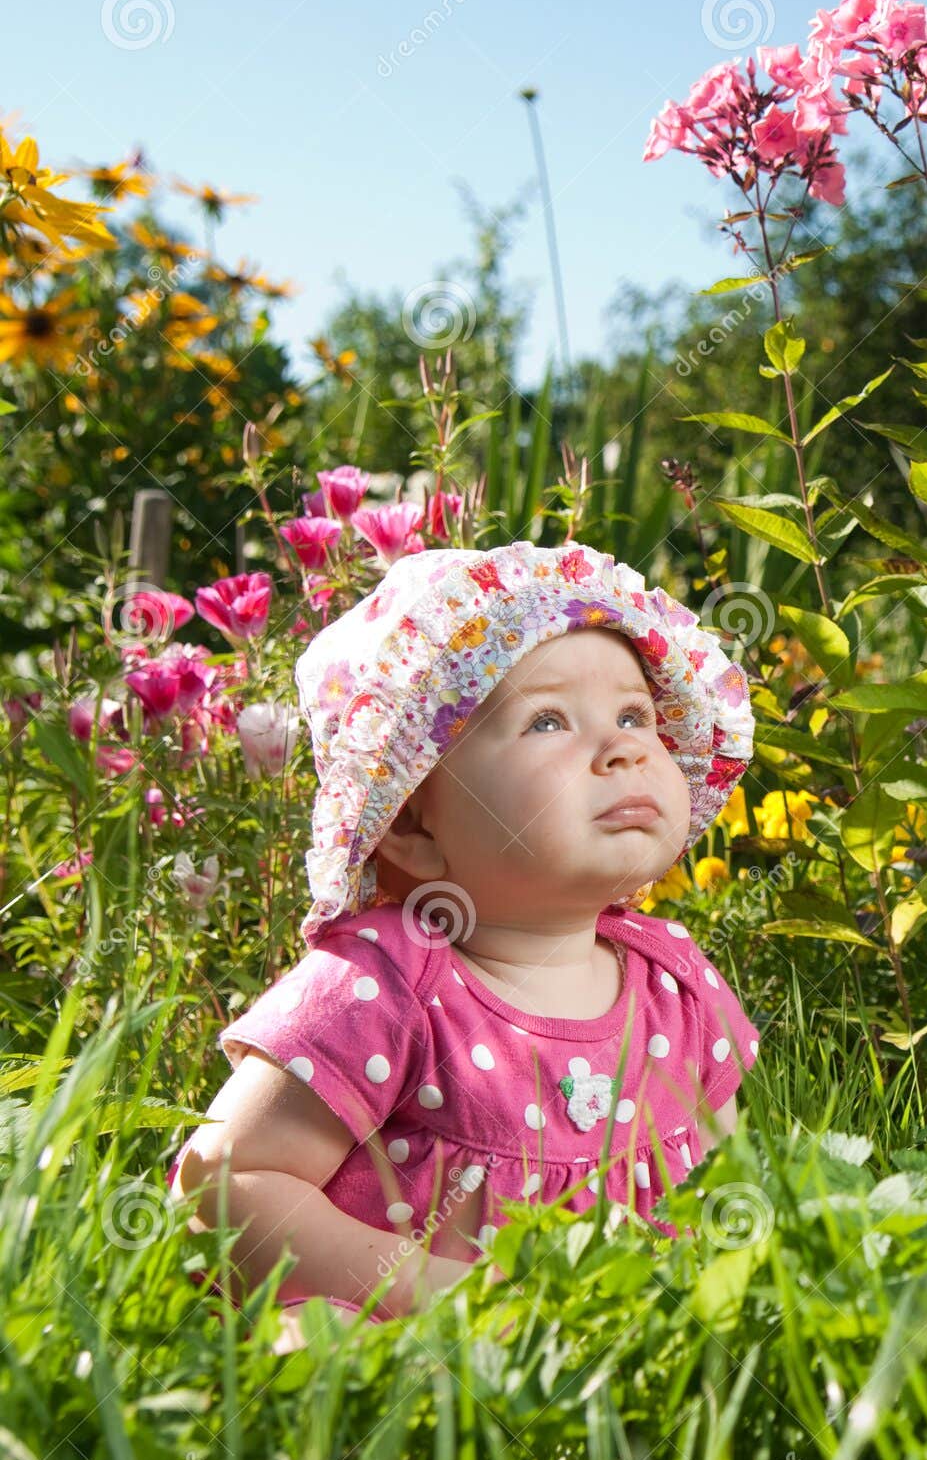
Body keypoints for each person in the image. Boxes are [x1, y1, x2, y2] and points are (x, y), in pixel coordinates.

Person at [166, 539, 759, 1339]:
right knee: (321, 1343)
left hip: (624, 1361)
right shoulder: (380, 981)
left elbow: (724, 1187)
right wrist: (442, 1300)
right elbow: (222, 1185)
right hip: (413, 1345)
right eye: (546, 721)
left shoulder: (675, 984)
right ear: (412, 824)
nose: (622, 747)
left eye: (633, 716)